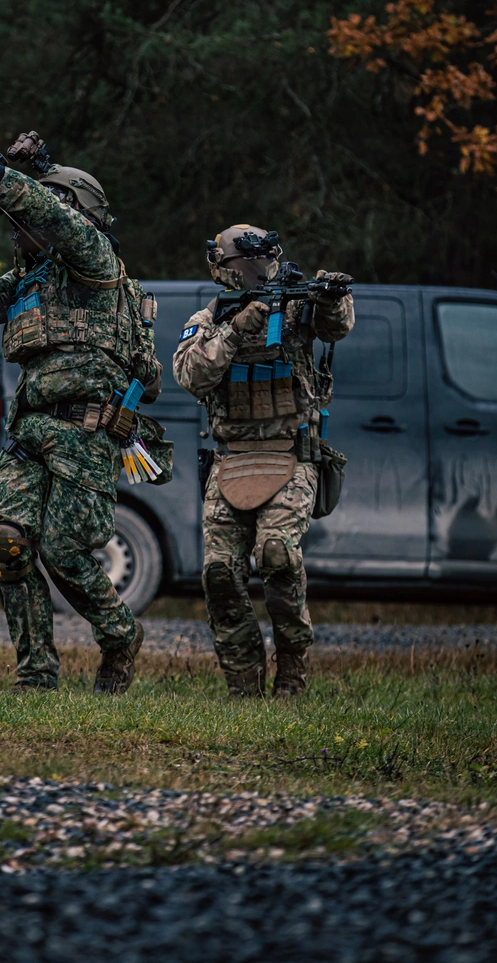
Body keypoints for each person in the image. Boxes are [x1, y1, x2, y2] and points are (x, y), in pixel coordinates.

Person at [0, 123, 165, 695]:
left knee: (64, 551)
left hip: (87, 431)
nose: (26, 229)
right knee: (8, 540)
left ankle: (118, 634)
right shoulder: (35, 278)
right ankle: (36, 674)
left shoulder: (96, 265)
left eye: (36, 217)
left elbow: (55, 218)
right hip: (31, 428)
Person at [173, 225, 354, 698]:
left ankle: (291, 676)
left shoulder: (297, 307)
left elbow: (336, 327)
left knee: (277, 556)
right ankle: (243, 688)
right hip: (232, 459)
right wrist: (236, 330)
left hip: (291, 457)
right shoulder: (211, 318)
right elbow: (191, 376)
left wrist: (331, 297)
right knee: (219, 574)